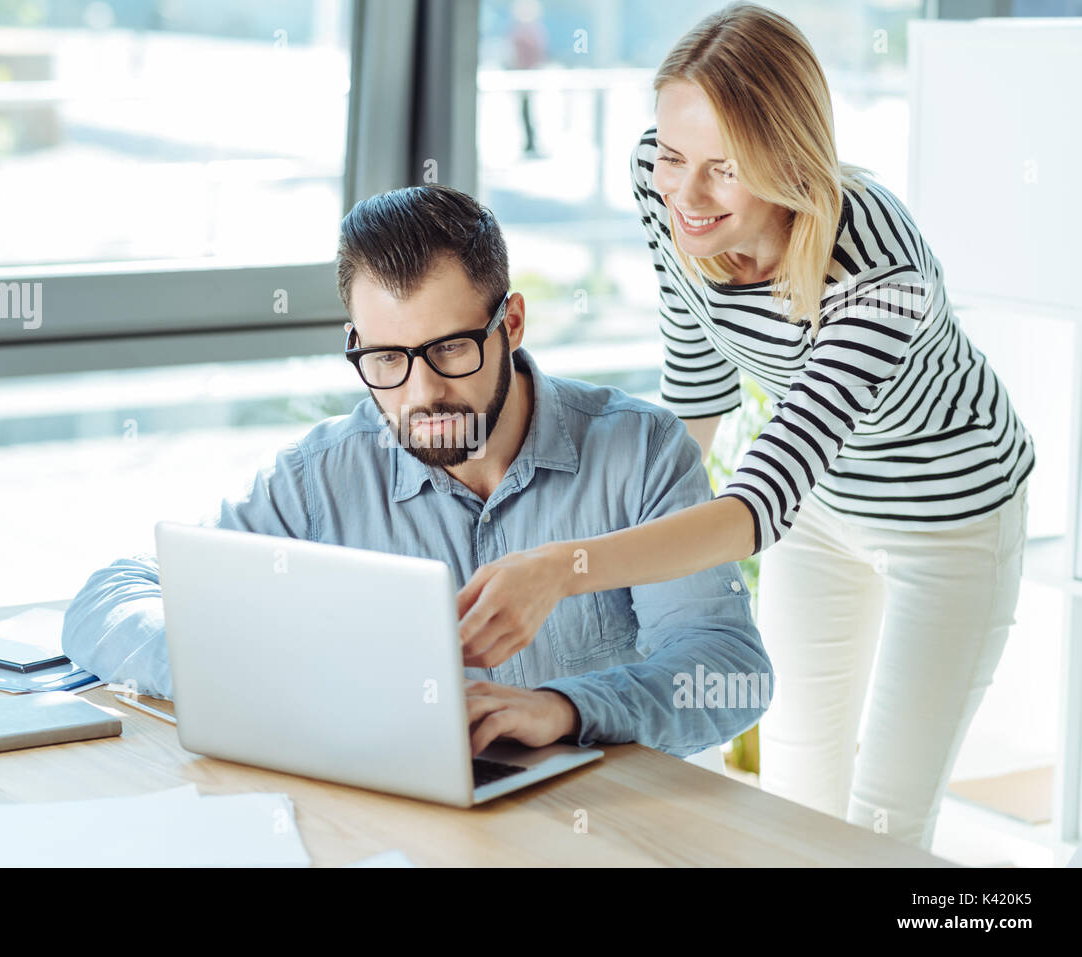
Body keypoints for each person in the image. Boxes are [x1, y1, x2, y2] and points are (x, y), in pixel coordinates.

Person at [454, 2, 1034, 851]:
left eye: (723, 169)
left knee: (884, 819)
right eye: (675, 155)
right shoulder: (664, 182)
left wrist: (563, 567)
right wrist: (623, 565)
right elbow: (696, 381)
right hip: (824, 510)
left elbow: (755, 506)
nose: (685, 194)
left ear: (788, 160)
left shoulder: (880, 269)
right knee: (794, 791)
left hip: (949, 521)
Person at [62, 183, 771, 762]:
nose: (420, 394)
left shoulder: (640, 451)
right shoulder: (326, 476)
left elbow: (730, 670)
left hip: (596, 827)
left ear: (513, 322)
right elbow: (112, 597)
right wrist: (256, 671)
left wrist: (564, 709)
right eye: (387, 360)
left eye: (451, 349)